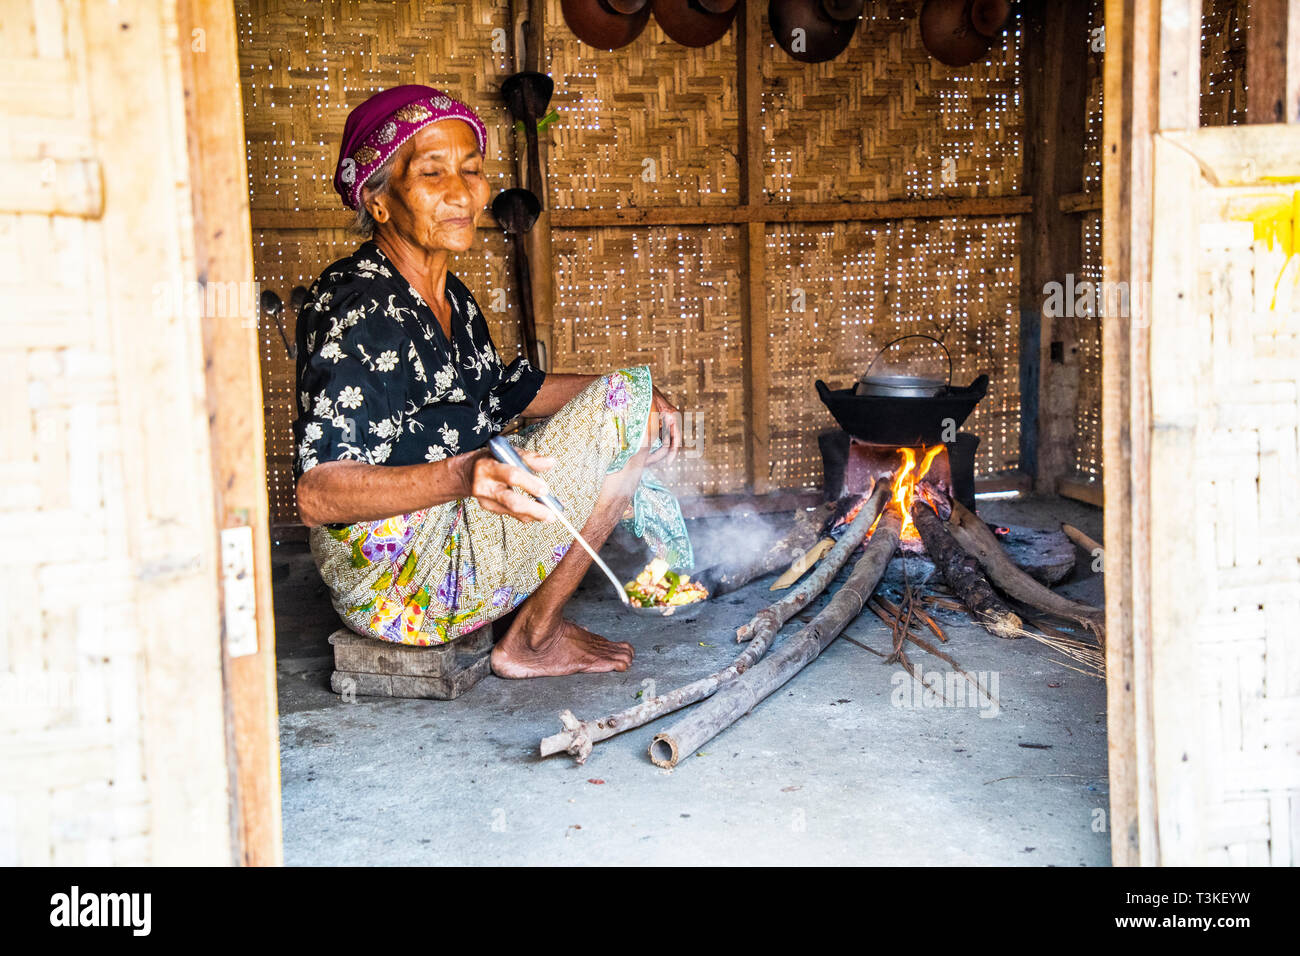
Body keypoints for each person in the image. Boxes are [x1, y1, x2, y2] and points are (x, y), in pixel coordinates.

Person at [292, 85, 691, 678]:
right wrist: (463, 472)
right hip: (395, 582)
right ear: (378, 201)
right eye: (432, 174)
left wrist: (632, 391)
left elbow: (503, 392)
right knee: (618, 406)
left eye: (472, 171)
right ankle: (532, 638)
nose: (461, 193)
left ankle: (533, 629)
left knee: (624, 399)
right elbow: (317, 495)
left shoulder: (448, 294)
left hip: (443, 539)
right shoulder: (361, 306)